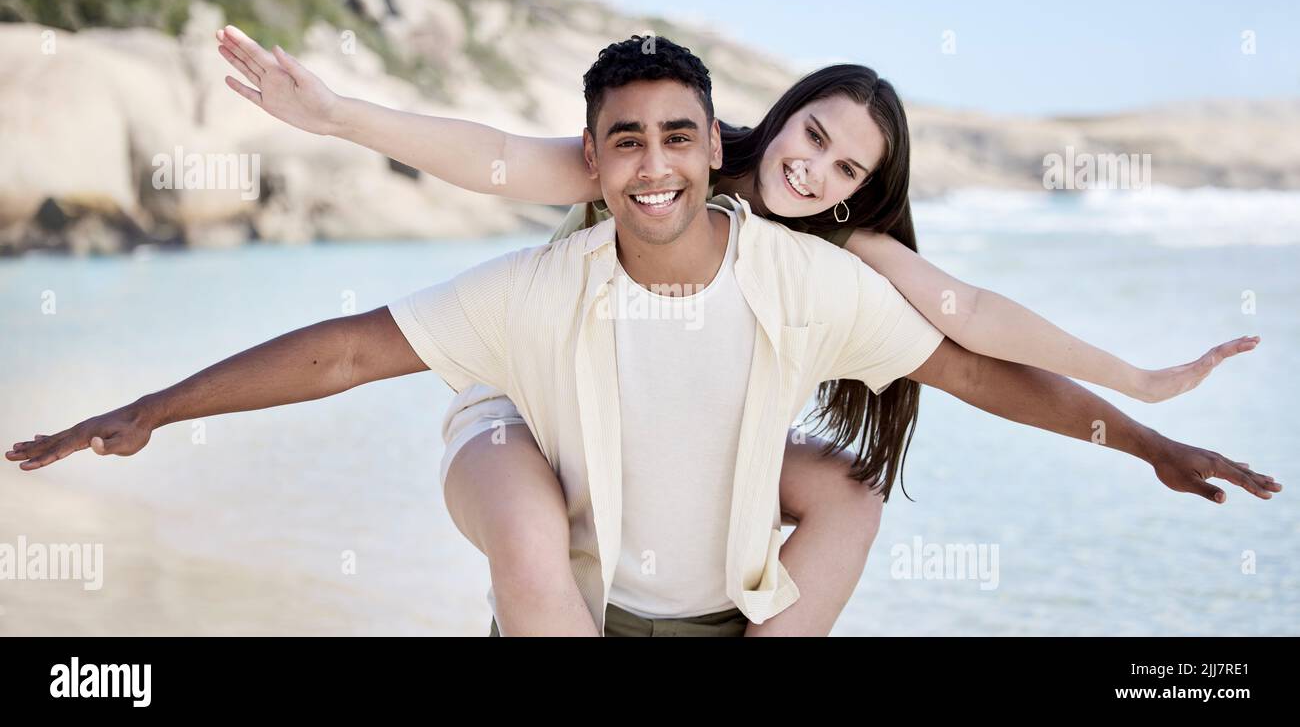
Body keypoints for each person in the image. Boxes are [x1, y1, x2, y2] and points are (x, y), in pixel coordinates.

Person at [9, 36, 1279, 640]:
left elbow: (982, 345)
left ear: (857, 192)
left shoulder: (834, 268)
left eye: (841, 167)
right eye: (805, 135)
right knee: (528, 525)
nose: (810, 166)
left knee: (845, 483)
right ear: (759, 126)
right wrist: (339, 118)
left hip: (676, 416)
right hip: (525, 400)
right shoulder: (662, 171)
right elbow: (484, 178)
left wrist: (1141, 420)